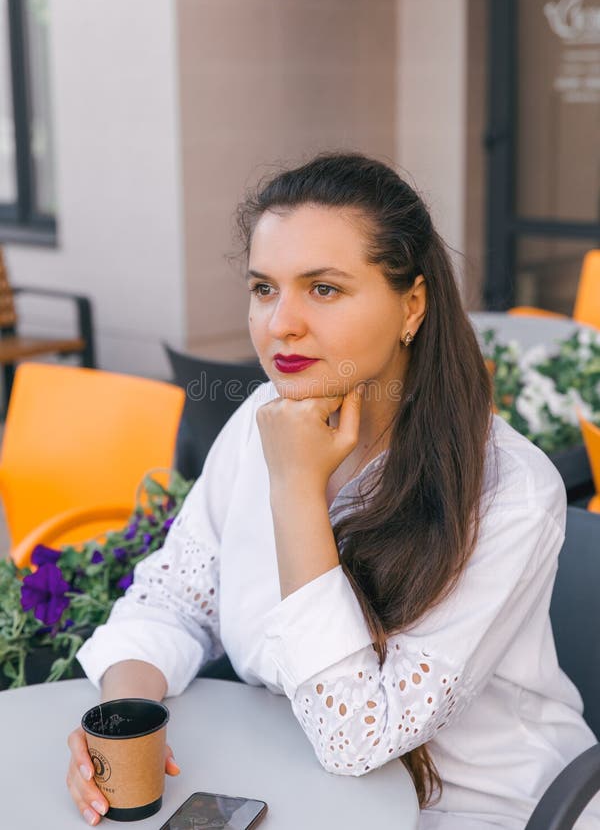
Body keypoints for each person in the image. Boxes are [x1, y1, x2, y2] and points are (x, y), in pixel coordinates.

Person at [66, 153, 599, 829]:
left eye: (323, 289)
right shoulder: (259, 418)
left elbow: (357, 739)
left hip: (483, 810)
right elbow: (171, 602)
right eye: (265, 288)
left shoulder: (508, 491)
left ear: (412, 304)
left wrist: (296, 488)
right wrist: (117, 724)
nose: (280, 323)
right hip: (297, 785)